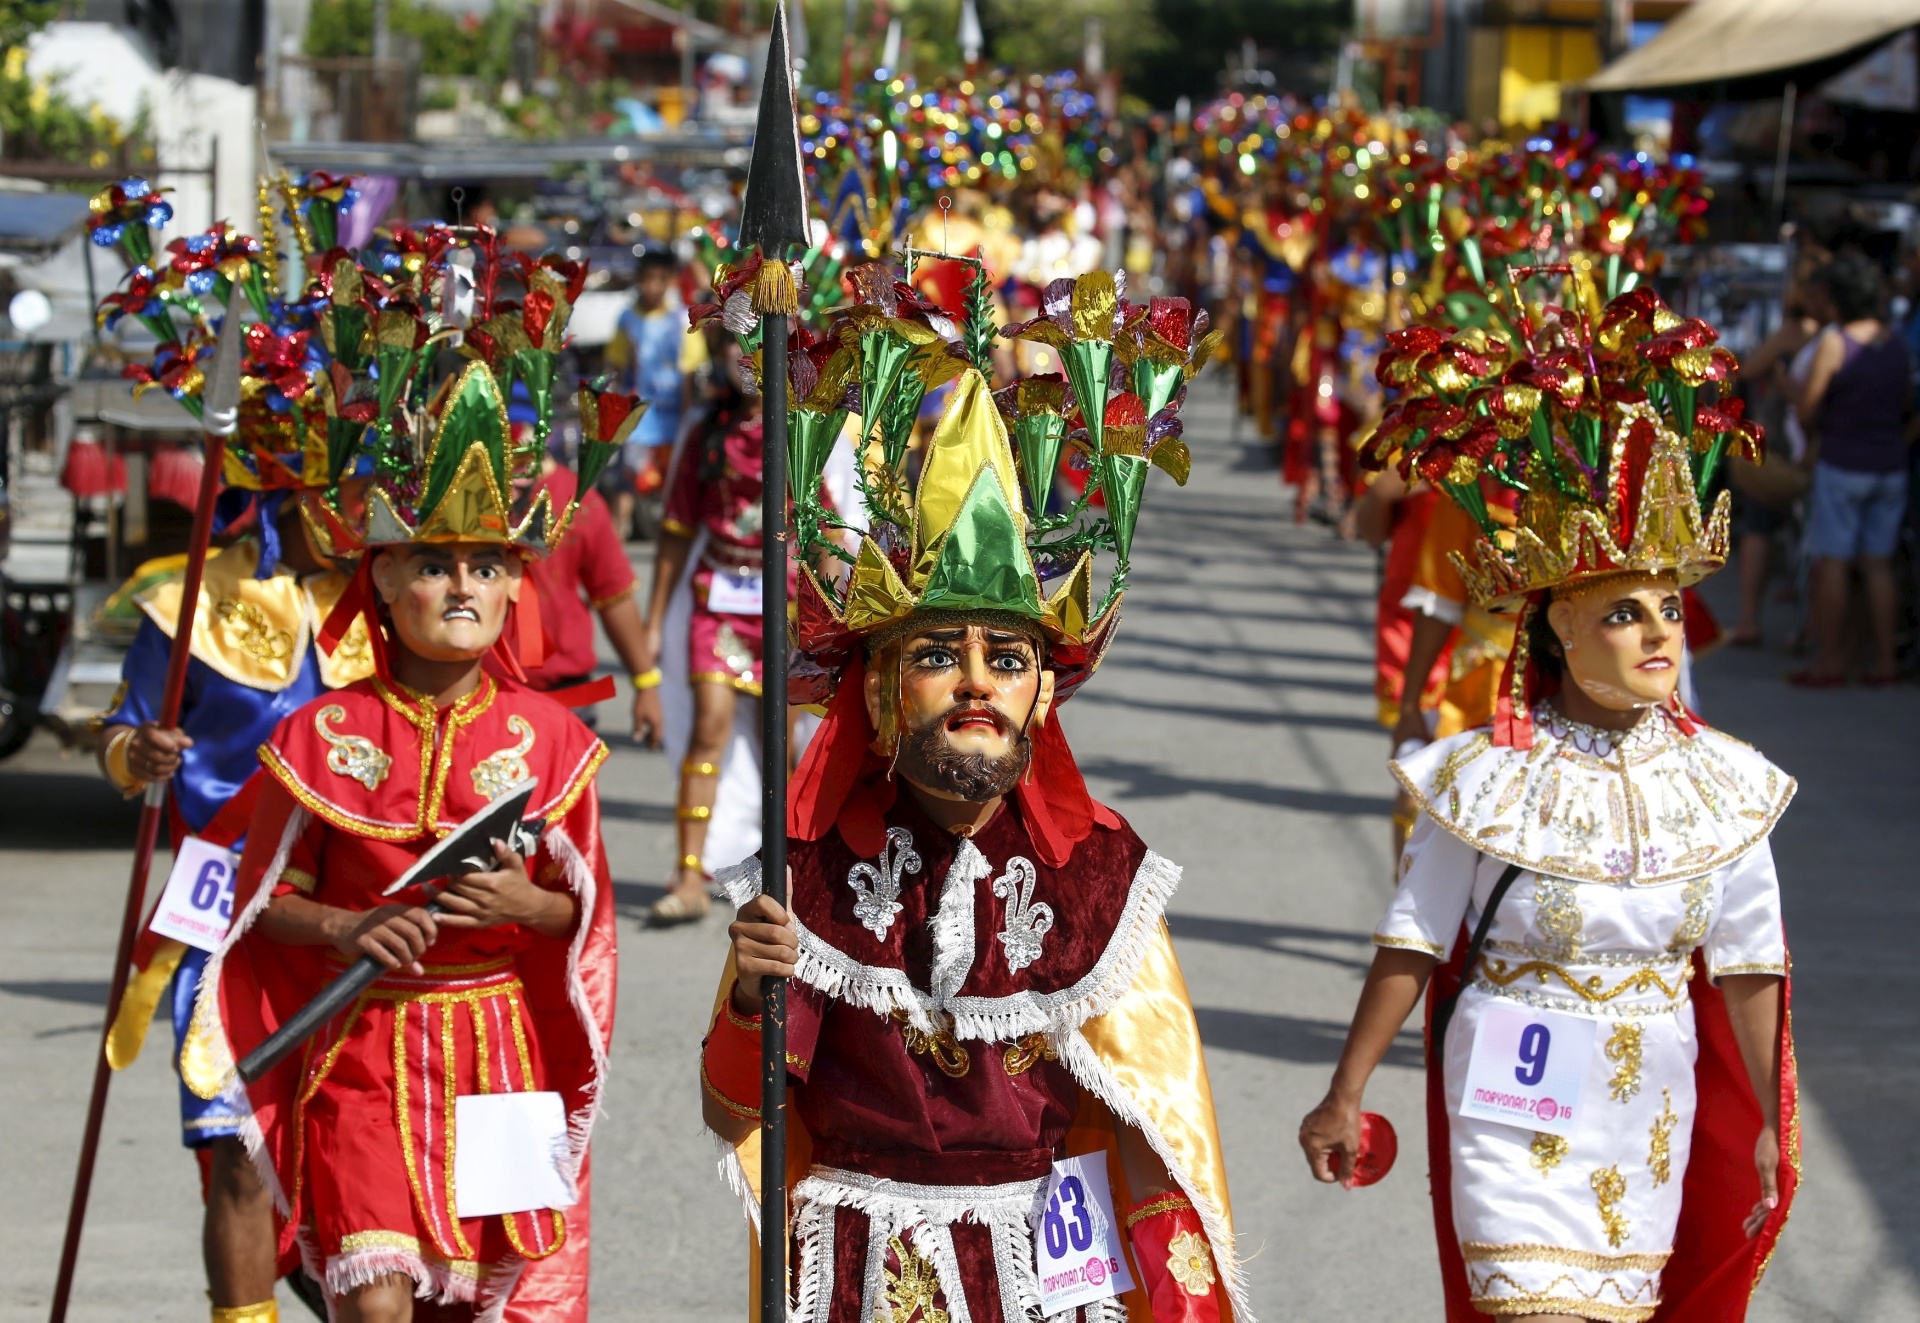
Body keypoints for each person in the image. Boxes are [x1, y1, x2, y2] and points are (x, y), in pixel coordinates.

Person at [702, 269, 1248, 1323]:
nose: (975, 683)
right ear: (878, 689)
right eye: (935, 655)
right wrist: (745, 997)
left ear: (1042, 691)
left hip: (1049, 1269)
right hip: (855, 1269)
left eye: (1006, 656)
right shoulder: (806, 869)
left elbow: (1153, 1136)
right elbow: (737, 1109)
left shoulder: (1101, 877)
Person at [1302, 288, 1796, 1322]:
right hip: (1509, 1094)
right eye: (1623, 613)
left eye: (1669, 609)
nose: (1659, 634)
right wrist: (1347, 1091)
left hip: (1647, 1105)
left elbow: (1751, 963)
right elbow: (1414, 937)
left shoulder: (1728, 785)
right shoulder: (1484, 774)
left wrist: (1769, 1122)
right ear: (1562, 630)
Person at [184, 334, 622, 1320]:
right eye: (433, 564)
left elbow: (586, 919)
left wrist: (528, 907)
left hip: (499, 1056)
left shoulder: (553, 741)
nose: (463, 587)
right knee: (374, 1302)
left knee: (479, 1306)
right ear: (382, 577)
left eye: (486, 565)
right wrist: (347, 927)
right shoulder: (318, 734)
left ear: (514, 586)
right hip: (366, 1047)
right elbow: (263, 907)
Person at [97, 472, 373, 1322]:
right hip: (227, 916)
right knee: (241, 1153)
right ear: (296, 485)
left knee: (365, 1158)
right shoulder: (190, 599)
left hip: (362, 918)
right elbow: (120, 727)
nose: (369, 507)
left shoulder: (395, 594)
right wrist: (136, 751)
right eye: (355, 487)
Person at [635, 325, 793, 924]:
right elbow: (676, 532)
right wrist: (653, 622)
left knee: (782, 749)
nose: (744, 356)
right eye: (733, 342)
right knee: (709, 728)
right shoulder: (705, 431)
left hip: (782, 610)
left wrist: (832, 614)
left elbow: (826, 528)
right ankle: (688, 876)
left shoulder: (800, 428)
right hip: (718, 603)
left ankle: (787, 877)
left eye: (756, 342)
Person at [1792, 252, 1912, 685]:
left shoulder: (1836, 343)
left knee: (1835, 563)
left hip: (1842, 463)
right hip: (1889, 465)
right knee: (1878, 565)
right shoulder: (1895, 342)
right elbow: (1904, 404)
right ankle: (1884, 662)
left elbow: (1807, 409)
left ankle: (1830, 662)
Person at [518, 442, 657, 740]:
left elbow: (612, 595)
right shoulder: (450, 491)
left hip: (563, 698)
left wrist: (645, 681)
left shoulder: (579, 499)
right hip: (464, 697)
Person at [602, 249, 687, 536]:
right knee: (627, 483)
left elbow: (688, 374)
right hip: (637, 419)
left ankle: (671, 543)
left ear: (671, 280)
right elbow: (616, 367)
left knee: (672, 487)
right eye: (648, 279)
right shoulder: (627, 320)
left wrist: (686, 421)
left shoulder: (682, 320)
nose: (654, 286)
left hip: (671, 420)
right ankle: (616, 540)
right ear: (639, 279)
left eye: (661, 279)